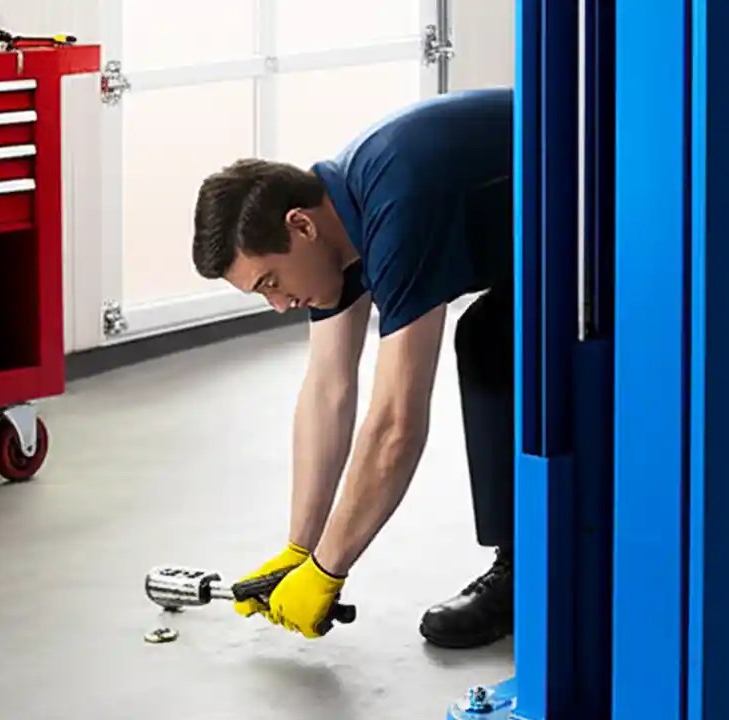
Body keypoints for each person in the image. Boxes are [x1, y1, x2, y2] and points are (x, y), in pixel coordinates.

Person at [189, 87, 515, 650]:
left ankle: (530, 569)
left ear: (301, 226)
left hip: (644, 199)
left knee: (496, 341)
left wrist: (329, 569)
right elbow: (328, 389)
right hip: (564, 238)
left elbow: (395, 425)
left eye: (271, 282)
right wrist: (300, 550)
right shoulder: (340, 227)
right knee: (492, 340)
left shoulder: (398, 204)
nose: (280, 304)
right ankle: (533, 560)